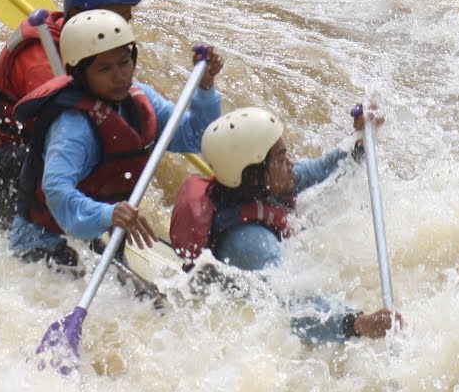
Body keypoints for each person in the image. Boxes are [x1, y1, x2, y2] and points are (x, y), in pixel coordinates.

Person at [8, 9, 224, 264]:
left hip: (96, 236)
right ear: (80, 74)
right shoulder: (73, 126)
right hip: (42, 240)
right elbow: (57, 190)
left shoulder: (140, 98)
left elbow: (195, 137)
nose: (120, 75)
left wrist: (205, 87)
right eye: (104, 68)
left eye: (124, 62)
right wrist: (109, 214)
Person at [169, 106, 399, 342]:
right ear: (254, 174)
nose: (290, 164)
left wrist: (358, 143)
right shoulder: (251, 243)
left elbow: (319, 169)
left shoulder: (256, 187)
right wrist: (357, 324)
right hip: (237, 320)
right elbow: (294, 310)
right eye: (280, 159)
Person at [0, 0, 142, 220]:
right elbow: (62, 130)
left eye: (126, 19)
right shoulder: (40, 55)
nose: (120, 29)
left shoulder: (93, 52)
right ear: (79, 14)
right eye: (115, 19)